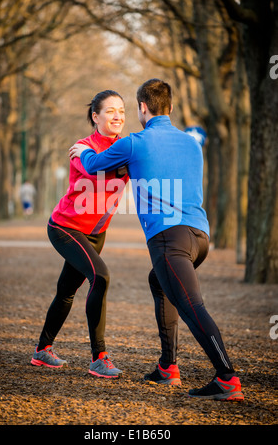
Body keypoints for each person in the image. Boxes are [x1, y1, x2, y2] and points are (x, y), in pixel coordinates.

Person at [69, 78, 244, 401]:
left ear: (142, 108)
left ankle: (227, 378)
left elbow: (92, 166)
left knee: (192, 307)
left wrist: (82, 150)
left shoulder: (135, 142)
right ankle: (167, 367)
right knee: (160, 283)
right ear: (172, 108)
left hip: (169, 241)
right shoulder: (192, 143)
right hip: (199, 237)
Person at [31, 90, 129, 378]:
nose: (118, 116)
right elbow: (92, 167)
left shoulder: (126, 146)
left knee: (66, 292)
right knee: (101, 277)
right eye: (110, 111)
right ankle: (99, 357)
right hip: (66, 227)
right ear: (95, 117)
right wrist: (120, 164)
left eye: (122, 110)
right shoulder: (82, 148)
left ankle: (42, 350)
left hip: (97, 233)